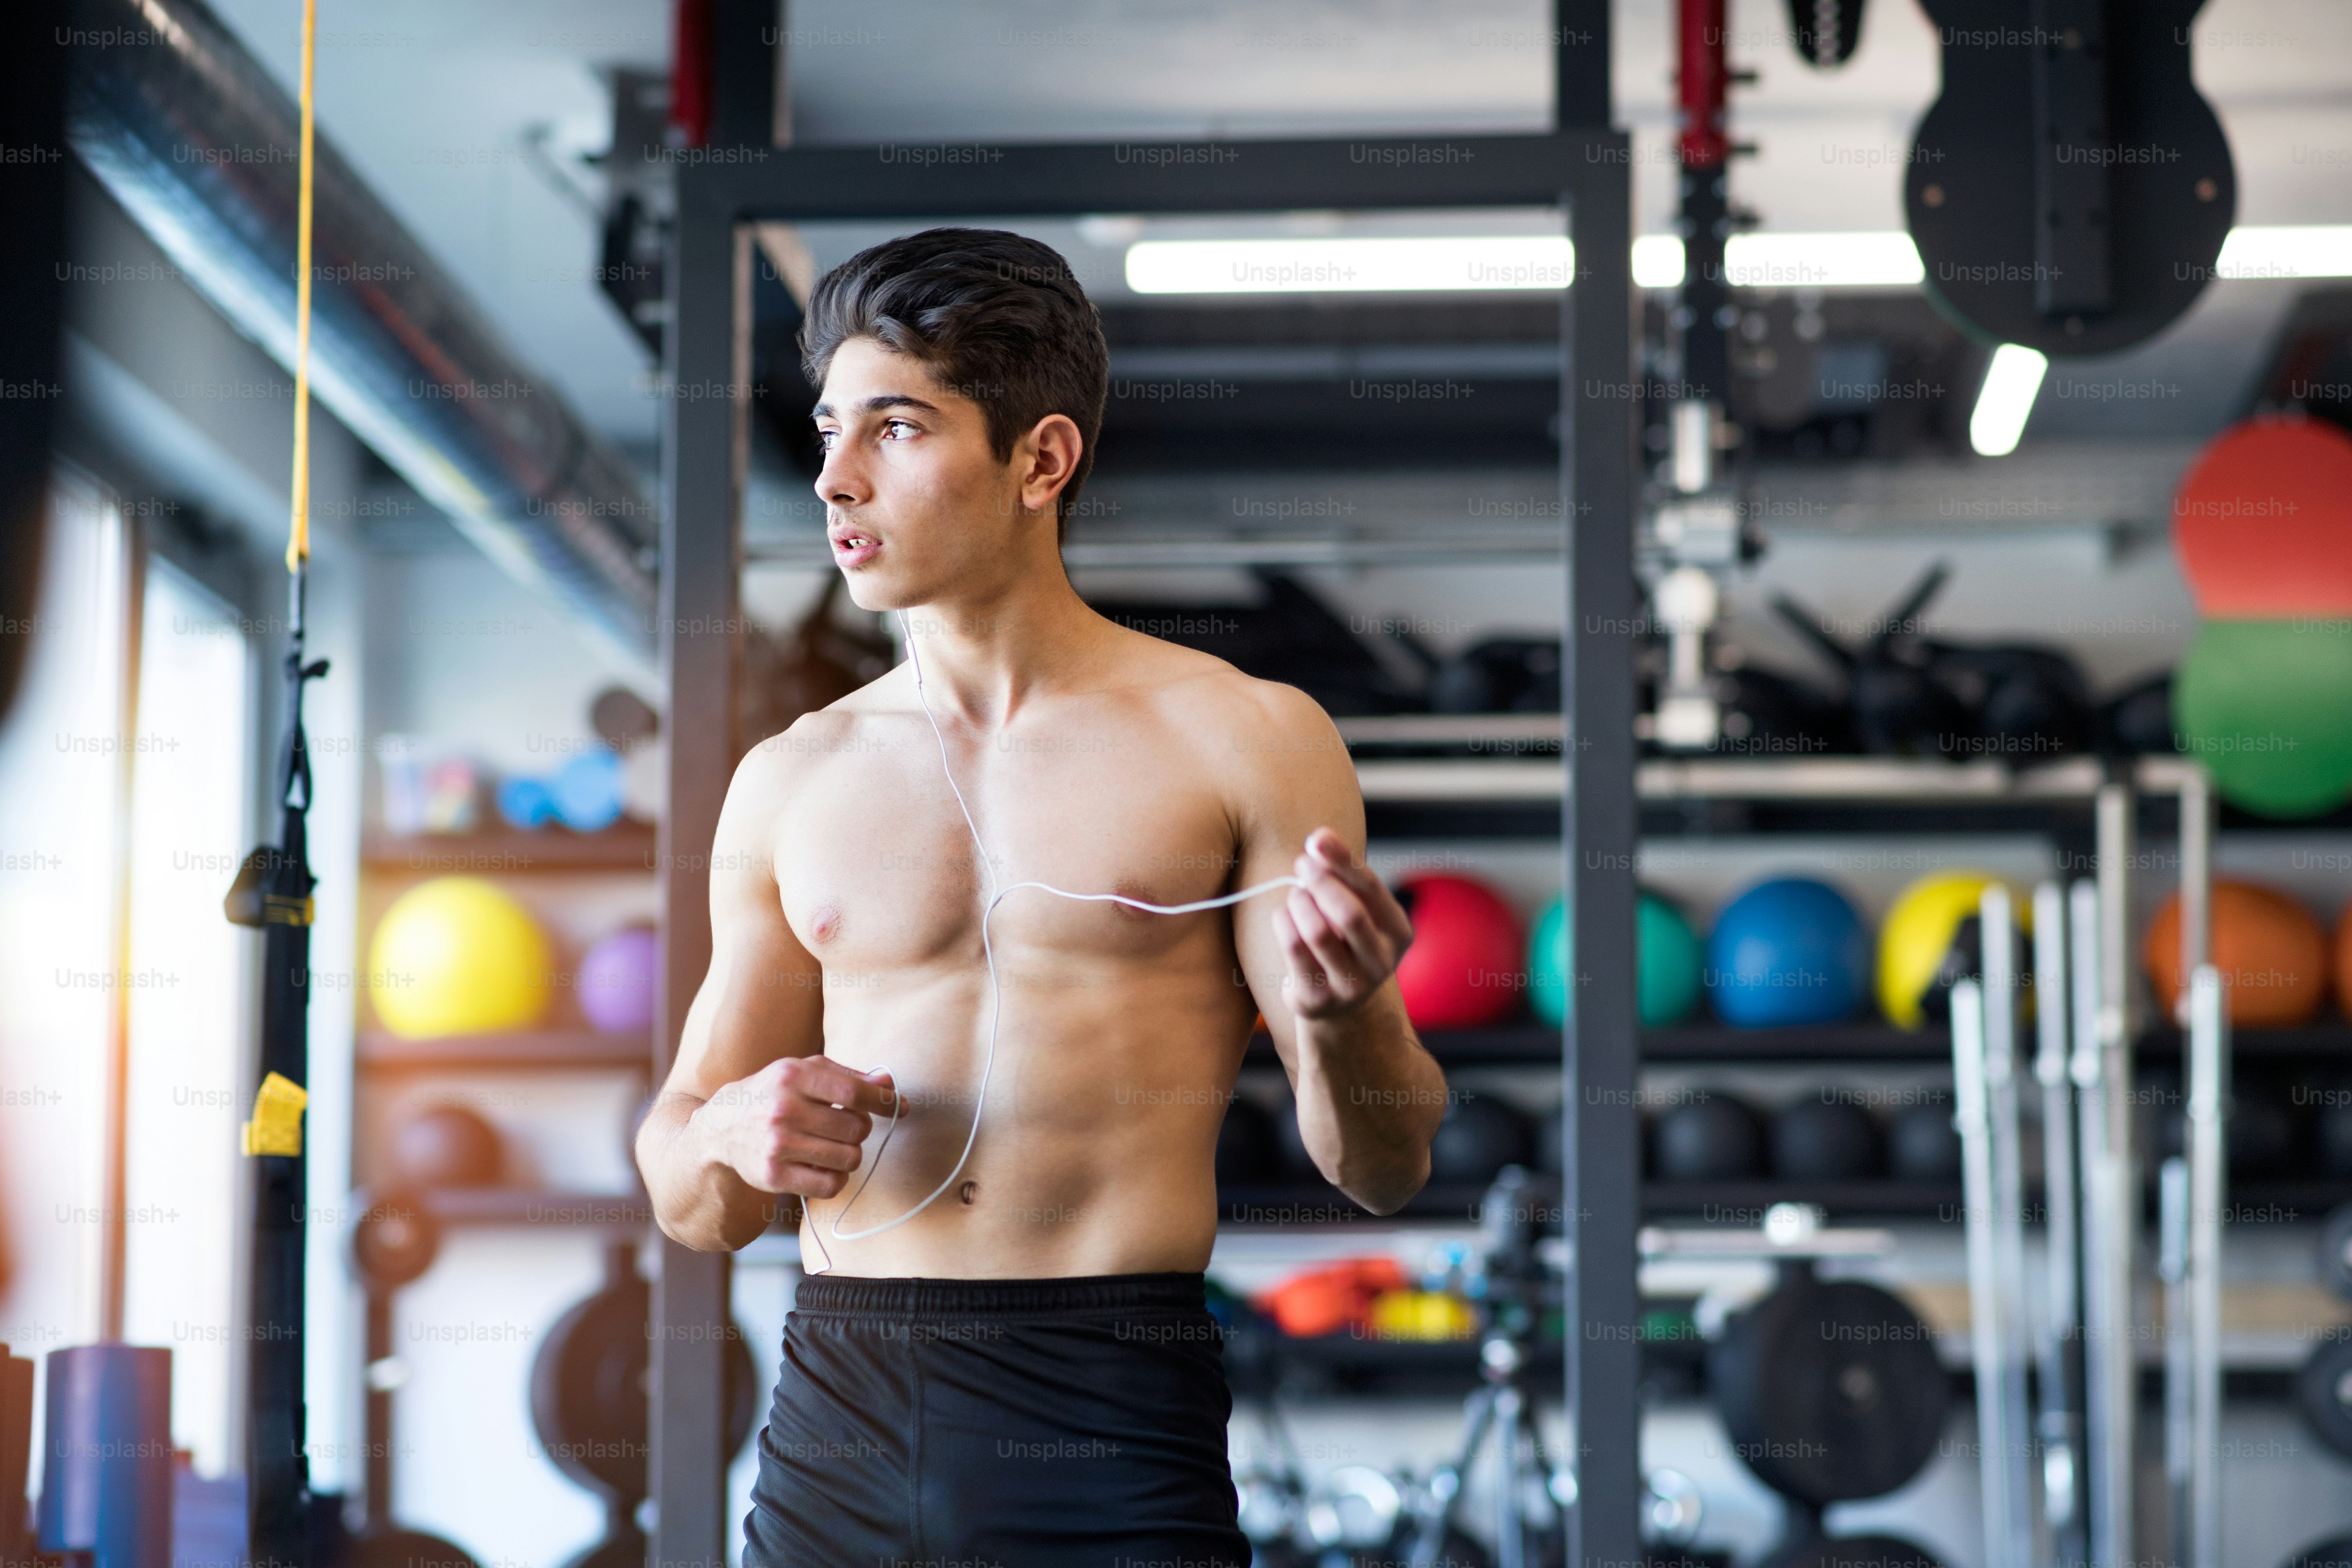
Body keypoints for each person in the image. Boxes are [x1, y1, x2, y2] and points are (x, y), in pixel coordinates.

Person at [635, 227, 1447, 1567]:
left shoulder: (1241, 735)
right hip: (840, 1418)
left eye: (896, 427)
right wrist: (726, 1134)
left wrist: (1355, 1012)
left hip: (1105, 1410)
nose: (837, 476)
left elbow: (1381, 1166)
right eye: (835, 428)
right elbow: (692, 1200)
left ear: (1042, 459)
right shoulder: (791, 779)